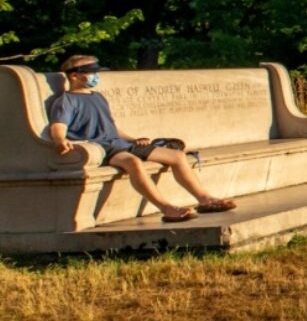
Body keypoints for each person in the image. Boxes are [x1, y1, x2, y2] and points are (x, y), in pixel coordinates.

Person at [45, 53, 236, 223]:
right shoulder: (67, 101)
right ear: (74, 75)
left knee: (176, 156)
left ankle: (205, 199)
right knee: (133, 162)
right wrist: (61, 140)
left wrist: (133, 139)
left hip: (119, 143)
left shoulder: (98, 97)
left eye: (97, 72)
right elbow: (58, 126)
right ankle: (167, 208)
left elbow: (111, 126)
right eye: (90, 72)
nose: (96, 76)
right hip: (102, 148)